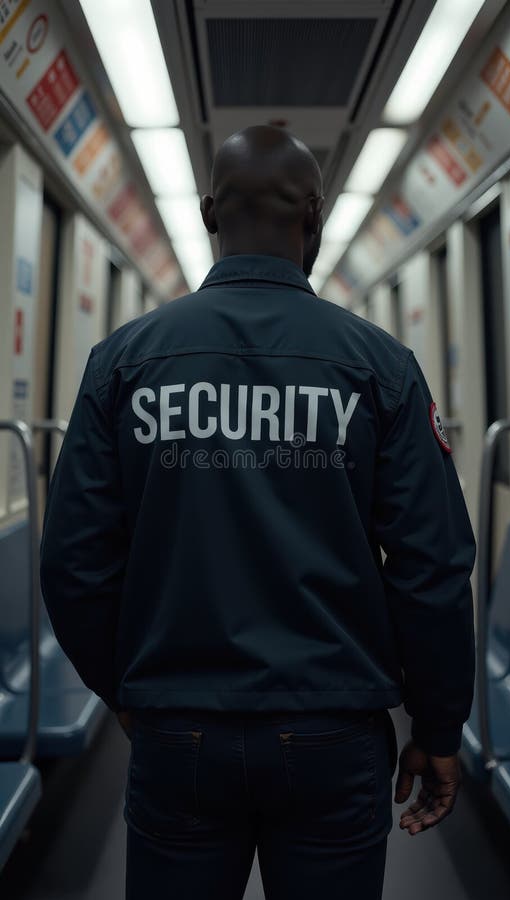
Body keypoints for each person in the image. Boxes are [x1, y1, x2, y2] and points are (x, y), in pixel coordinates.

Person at [40, 125, 476, 900]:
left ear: (209, 213)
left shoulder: (123, 362)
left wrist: (130, 689)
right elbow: (432, 566)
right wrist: (438, 727)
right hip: (335, 733)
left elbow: (73, 562)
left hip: (180, 731)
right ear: (318, 213)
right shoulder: (380, 367)